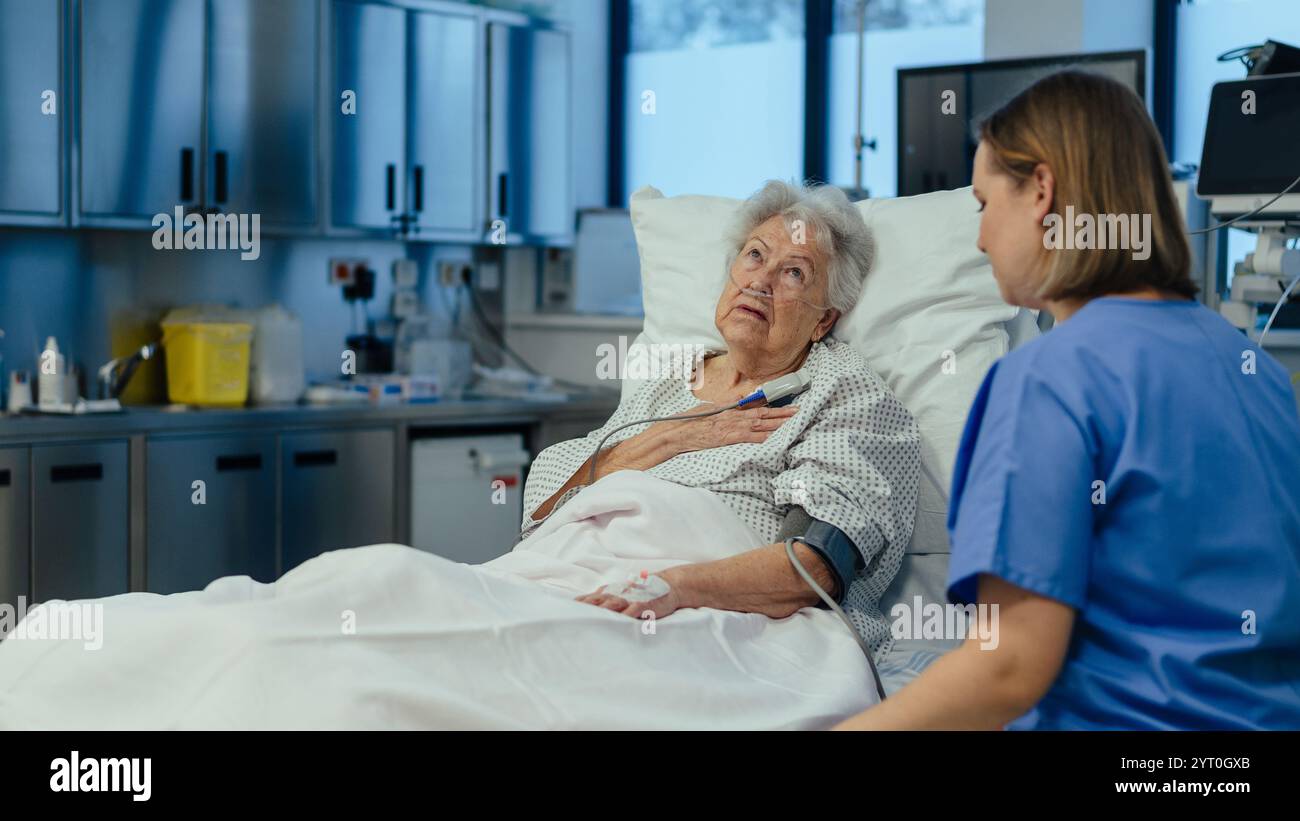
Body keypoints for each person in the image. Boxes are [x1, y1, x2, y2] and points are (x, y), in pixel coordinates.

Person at [837, 70, 1300, 730]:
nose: (980, 238)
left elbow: (1006, 666)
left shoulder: (1050, 379)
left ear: (1042, 193)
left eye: (983, 205)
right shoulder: (1248, 363)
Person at [523, 180, 921, 657]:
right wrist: (665, 440)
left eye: (793, 273)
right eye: (754, 256)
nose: (761, 281)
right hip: (570, 576)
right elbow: (542, 509)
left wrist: (672, 588)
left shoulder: (842, 391)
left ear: (823, 320)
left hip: (712, 615)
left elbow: (812, 567)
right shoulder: (670, 380)